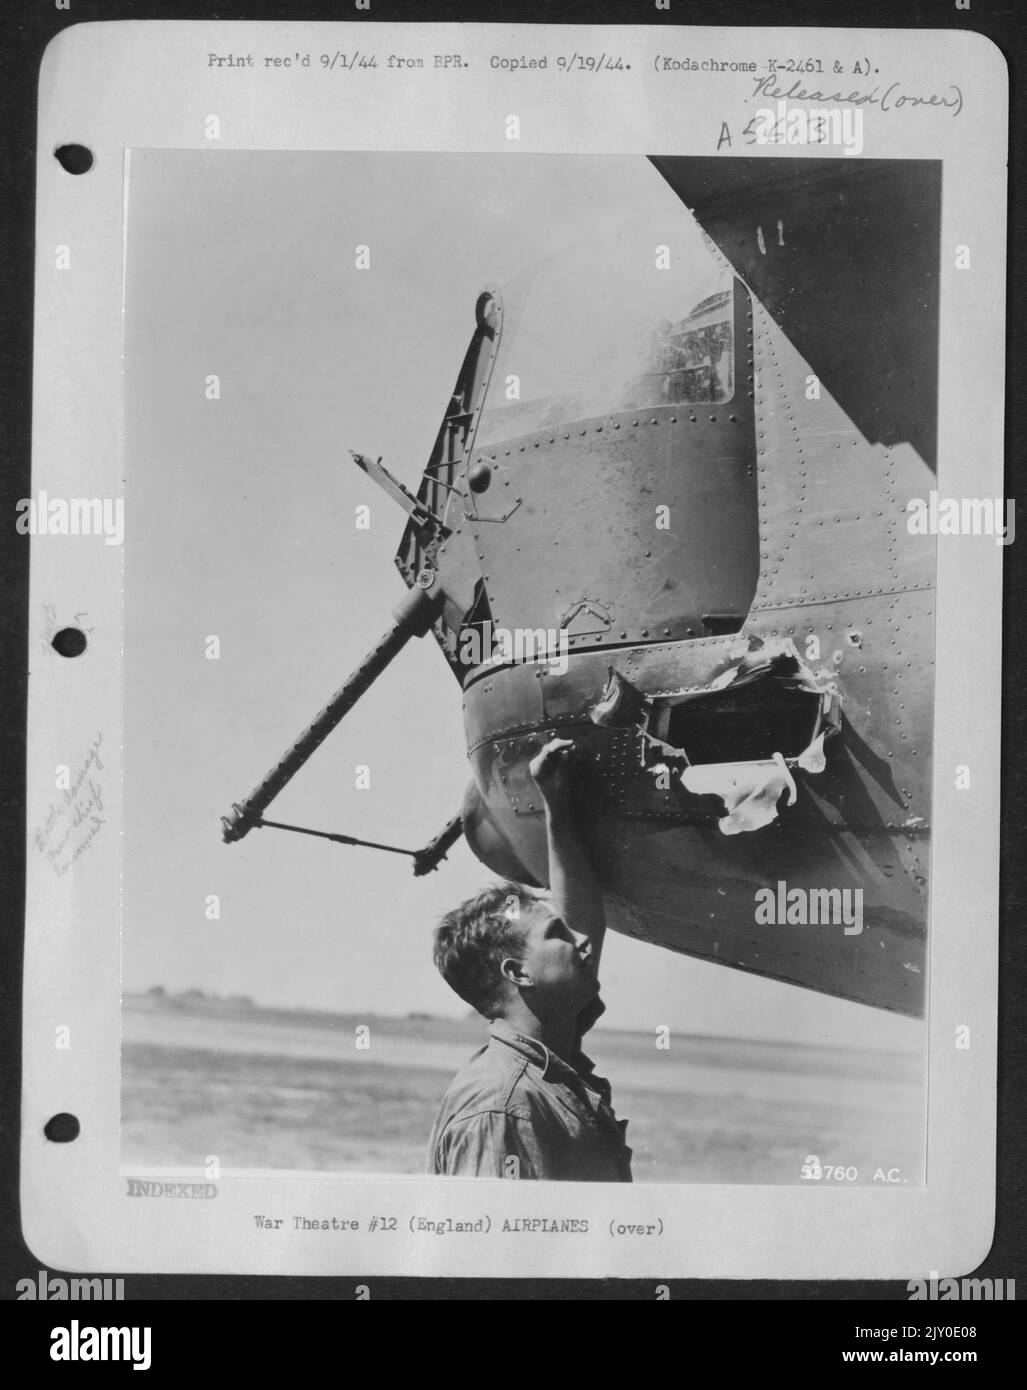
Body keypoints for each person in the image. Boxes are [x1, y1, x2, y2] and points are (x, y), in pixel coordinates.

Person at [427, 737, 632, 1181]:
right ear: (518, 973)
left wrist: (555, 803)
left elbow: (582, 918)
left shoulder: (551, 1050)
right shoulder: (502, 1106)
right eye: (557, 936)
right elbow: (494, 1245)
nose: (583, 941)